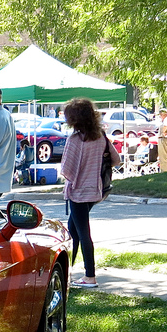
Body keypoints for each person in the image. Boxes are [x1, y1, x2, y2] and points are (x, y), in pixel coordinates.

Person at [59, 97, 120, 289]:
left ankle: (90, 276)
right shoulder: (100, 136)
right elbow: (116, 159)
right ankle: (68, 272)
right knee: (73, 231)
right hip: (95, 191)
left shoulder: (75, 140)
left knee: (82, 234)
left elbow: (66, 170)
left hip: (78, 192)